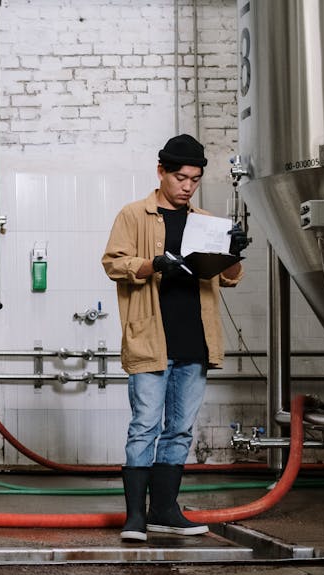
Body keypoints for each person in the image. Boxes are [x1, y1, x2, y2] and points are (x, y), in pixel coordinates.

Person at [100, 134, 248, 542]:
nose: (187, 186)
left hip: (195, 341)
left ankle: (164, 510)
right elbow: (113, 263)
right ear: (161, 171)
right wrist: (152, 264)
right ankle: (135, 517)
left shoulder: (206, 223)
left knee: (180, 430)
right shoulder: (134, 215)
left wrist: (234, 254)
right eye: (181, 177)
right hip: (150, 340)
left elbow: (228, 280)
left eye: (195, 179)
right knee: (145, 426)